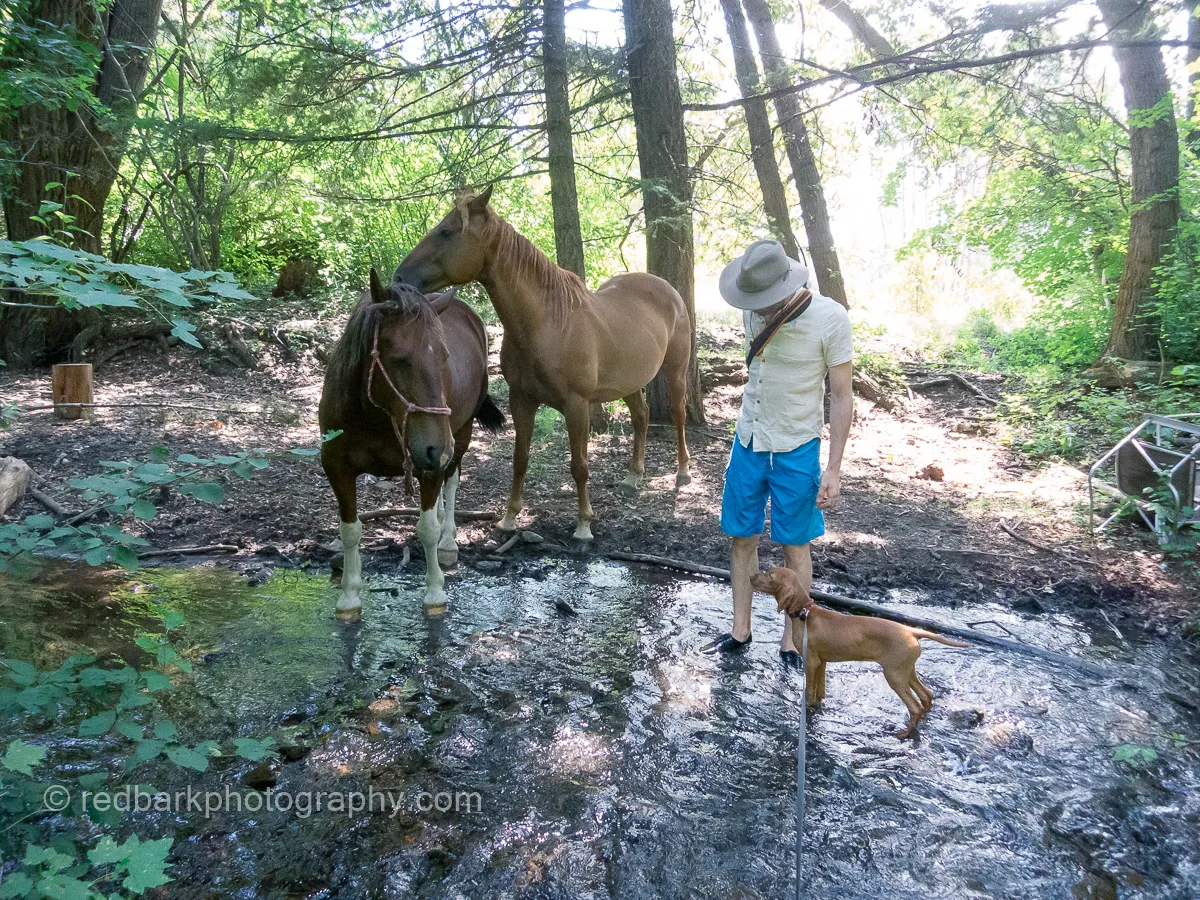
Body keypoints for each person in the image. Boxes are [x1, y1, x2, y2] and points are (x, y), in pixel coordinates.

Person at [702, 240, 853, 666]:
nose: (758, 309)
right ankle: (740, 630)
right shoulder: (752, 307)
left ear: (786, 284)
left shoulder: (831, 318)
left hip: (798, 447)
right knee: (741, 536)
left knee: (795, 544)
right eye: (754, 301)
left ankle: (792, 639)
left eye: (765, 301)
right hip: (748, 440)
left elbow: (842, 397)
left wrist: (835, 468)